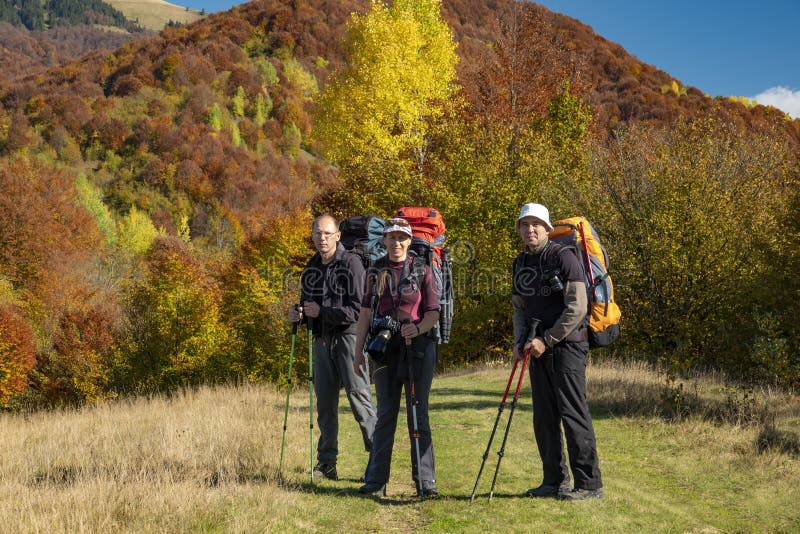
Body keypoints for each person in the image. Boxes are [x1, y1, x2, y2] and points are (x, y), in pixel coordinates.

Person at [512, 202, 604, 500]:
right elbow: (519, 308)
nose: (530, 229)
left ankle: (589, 485)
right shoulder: (520, 262)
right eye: (525, 225)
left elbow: (577, 307)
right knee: (544, 417)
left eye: (536, 224)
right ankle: (553, 482)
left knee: (572, 413)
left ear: (548, 228)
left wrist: (547, 339)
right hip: (537, 349)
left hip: (568, 346)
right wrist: (520, 341)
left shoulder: (565, 258)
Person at [353, 218, 441, 498]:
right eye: (391, 238)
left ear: (409, 240)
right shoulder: (375, 271)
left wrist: (418, 328)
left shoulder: (422, 270)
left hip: (417, 349)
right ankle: (375, 480)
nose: (396, 243)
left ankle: (425, 482)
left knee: (418, 415)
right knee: (385, 415)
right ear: (385, 240)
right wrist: (358, 353)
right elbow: (365, 313)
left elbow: (433, 312)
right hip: (383, 350)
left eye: (402, 237)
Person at [288, 215, 377, 480]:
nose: (322, 238)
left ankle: (376, 464)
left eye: (327, 233)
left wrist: (322, 311)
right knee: (325, 406)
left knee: (360, 401)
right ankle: (326, 464)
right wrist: (299, 313)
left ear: (338, 235)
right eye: (317, 234)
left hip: (350, 338)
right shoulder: (312, 266)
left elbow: (358, 311)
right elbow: (308, 304)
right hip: (322, 340)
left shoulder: (351, 264)